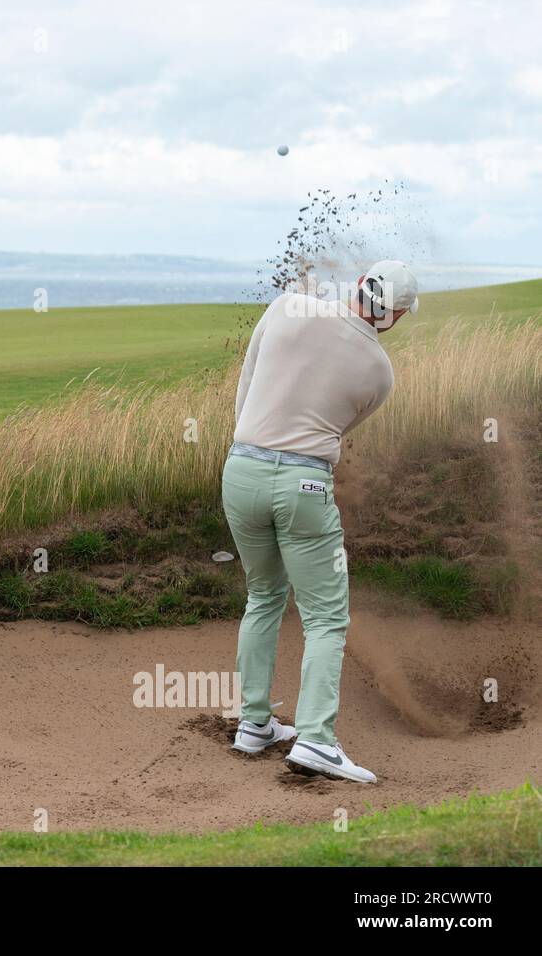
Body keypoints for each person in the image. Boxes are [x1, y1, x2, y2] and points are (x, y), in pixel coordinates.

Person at [223, 261, 419, 783]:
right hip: (304, 485)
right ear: (396, 316)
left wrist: (250, 448)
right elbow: (336, 431)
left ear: (358, 284)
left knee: (263, 596)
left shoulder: (289, 304)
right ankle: (316, 740)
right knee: (326, 618)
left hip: (240, 470)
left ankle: (254, 724)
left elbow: (248, 379)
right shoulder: (380, 371)